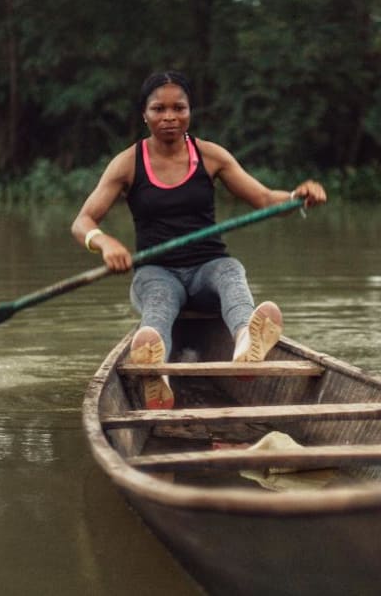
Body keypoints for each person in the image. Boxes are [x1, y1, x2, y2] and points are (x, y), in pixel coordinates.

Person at [71, 71, 327, 409]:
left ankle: (246, 343)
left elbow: (264, 199)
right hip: (156, 271)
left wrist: (297, 196)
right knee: (160, 300)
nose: (169, 117)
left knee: (230, 271)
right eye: (158, 109)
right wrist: (105, 243)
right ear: (144, 115)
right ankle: (155, 373)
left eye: (179, 108)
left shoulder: (210, 156)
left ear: (190, 111)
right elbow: (82, 221)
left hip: (208, 267)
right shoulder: (127, 164)